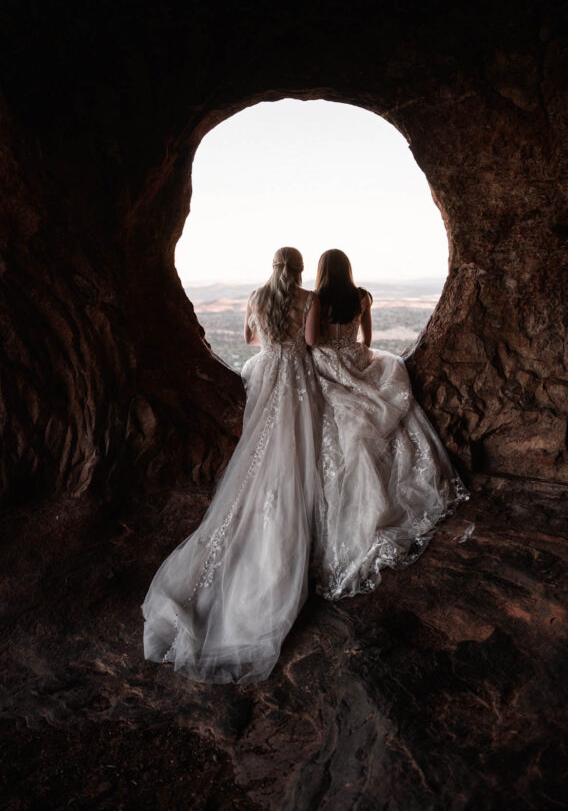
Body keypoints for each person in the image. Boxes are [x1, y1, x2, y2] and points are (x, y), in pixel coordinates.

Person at [142, 247, 322, 683]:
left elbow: (248, 341)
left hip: (265, 380)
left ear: (272, 266)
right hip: (298, 382)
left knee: (257, 456)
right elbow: (313, 344)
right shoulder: (310, 298)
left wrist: (273, 341)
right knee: (295, 456)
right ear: (298, 268)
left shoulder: (255, 297)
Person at [310, 249, 468, 601]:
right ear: (348, 270)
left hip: (326, 365)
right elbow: (366, 340)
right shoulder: (363, 297)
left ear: (321, 271)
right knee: (380, 412)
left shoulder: (314, 301)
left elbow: (312, 342)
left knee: (334, 423)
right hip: (355, 358)